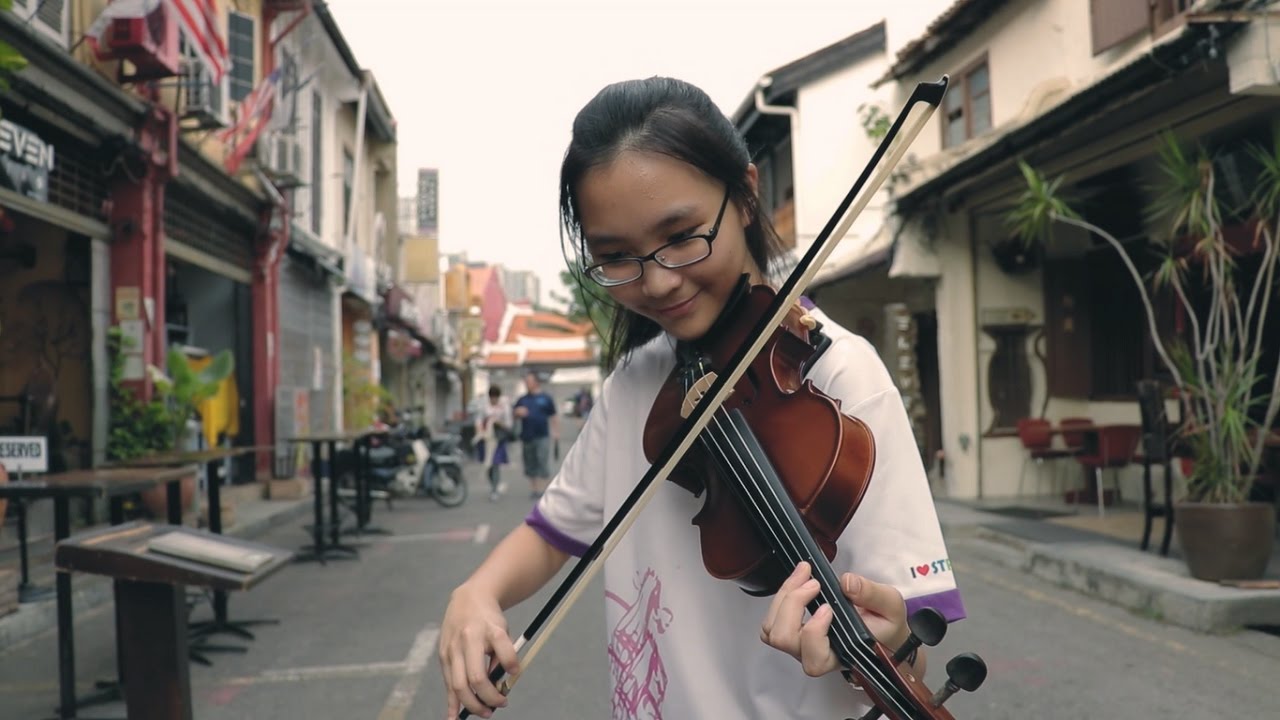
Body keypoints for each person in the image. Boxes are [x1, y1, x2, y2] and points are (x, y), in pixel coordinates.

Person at [438, 77, 963, 720]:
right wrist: (477, 591)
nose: (657, 282)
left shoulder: (843, 378)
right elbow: (555, 531)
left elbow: (908, 647)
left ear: (745, 193)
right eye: (616, 258)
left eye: (682, 236)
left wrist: (886, 644)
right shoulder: (636, 378)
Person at [512, 370, 559, 498]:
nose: (527, 384)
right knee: (530, 462)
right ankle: (535, 489)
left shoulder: (546, 398)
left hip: (542, 435)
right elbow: (514, 414)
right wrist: (517, 413)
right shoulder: (522, 399)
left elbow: (553, 415)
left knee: (542, 460)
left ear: (536, 382)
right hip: (527, 436)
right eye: (526, 382)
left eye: (530, 381)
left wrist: (556, 431)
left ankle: (545, 490)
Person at [475, 385, 514, 501]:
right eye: (492, 398)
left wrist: (497, 422)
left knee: (495, 463)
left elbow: (509, 424)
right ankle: (492, 484)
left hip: (498, 439)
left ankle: (494, 489)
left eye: (495, 398)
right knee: (488, 464)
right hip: (486, 438)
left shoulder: (504, 406)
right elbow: (478, 420)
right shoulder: (484, 406)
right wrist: (480, 430)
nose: (494, 400)